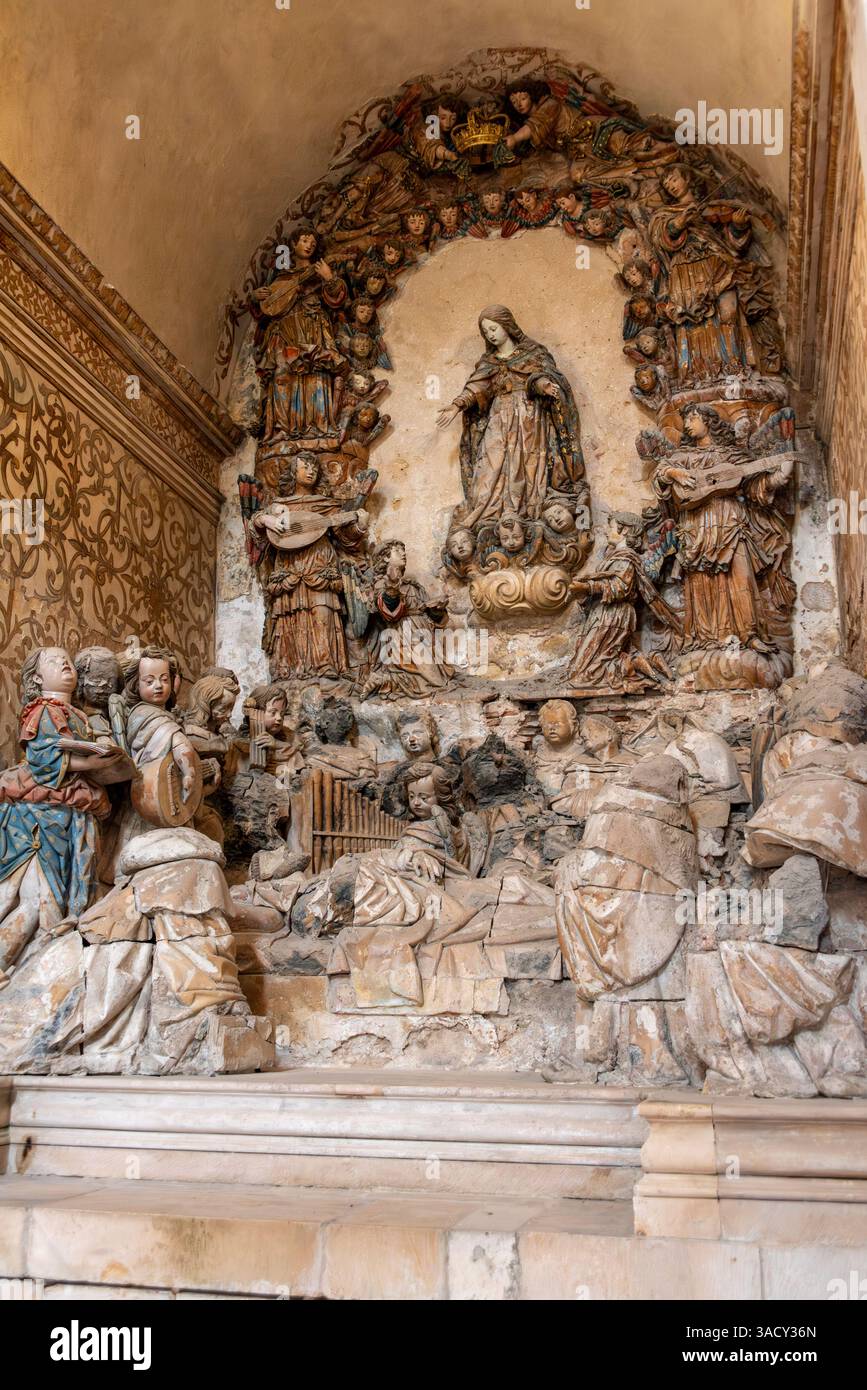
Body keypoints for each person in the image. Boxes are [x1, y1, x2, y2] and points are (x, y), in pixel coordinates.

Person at [437, 305, 584, 527]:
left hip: (528, 417)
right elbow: (478, 387)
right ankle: (489, 514)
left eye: (493, 328)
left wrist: (545, 385)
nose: (491, 335)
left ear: (507, 325)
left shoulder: (534, 353)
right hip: (498, 416)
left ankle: (525, 514)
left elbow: (542, 375)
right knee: (490, 463)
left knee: (528, 463)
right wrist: (457, 406)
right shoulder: (489, 362)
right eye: (486, 332)